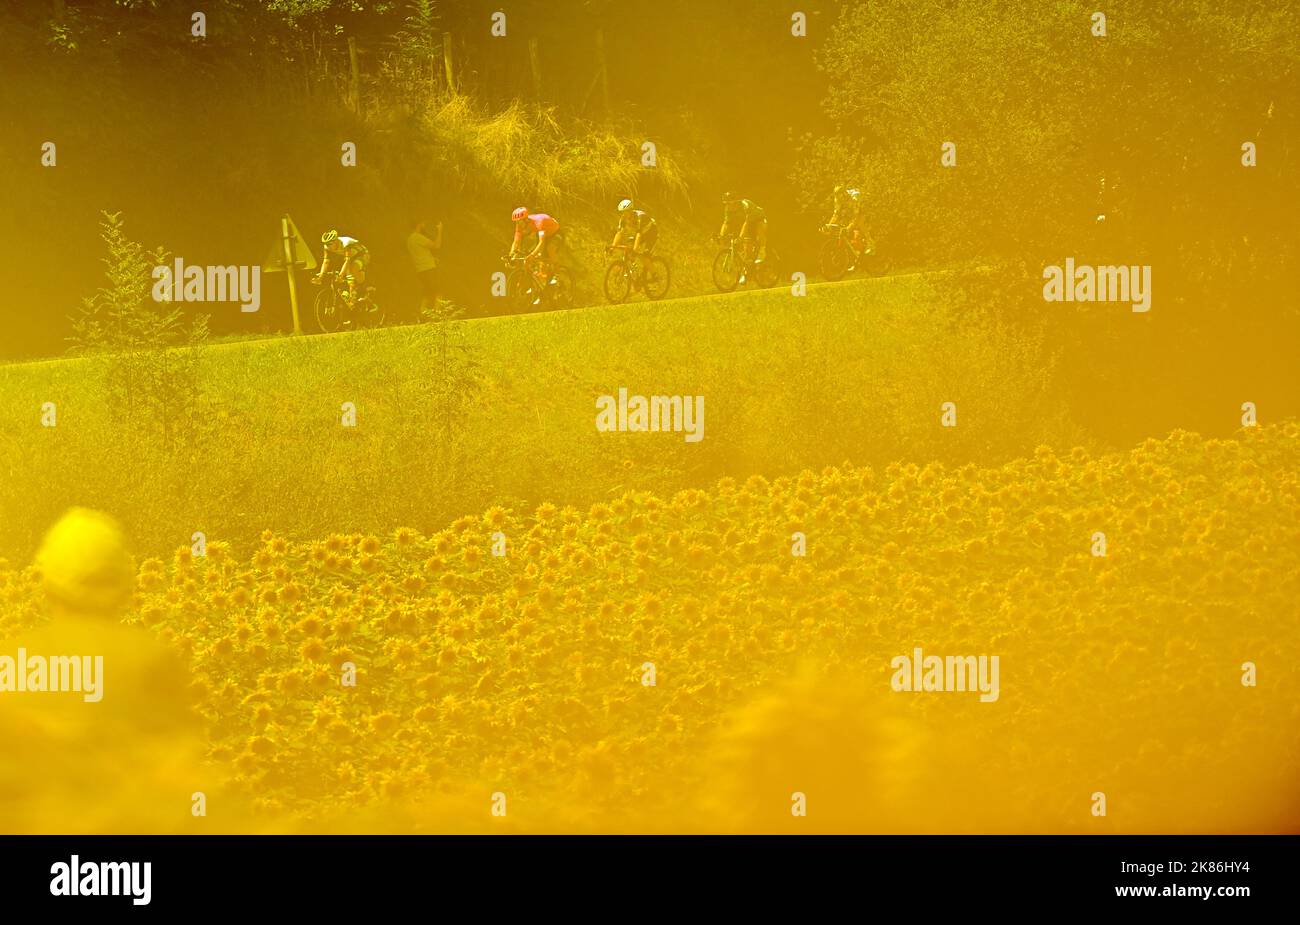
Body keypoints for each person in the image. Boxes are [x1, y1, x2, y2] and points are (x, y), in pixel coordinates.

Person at [315, 230, 370, 303]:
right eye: (326, 244)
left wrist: (340, 275)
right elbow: (326, 262)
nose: (328, 246)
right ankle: (352, 297)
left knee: (353, 269)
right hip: (350, 256)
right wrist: (320, 277)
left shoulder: (345, 243)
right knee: (345, 274)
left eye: (330, 244)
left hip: (362, 254)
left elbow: (347, 261)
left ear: (336, 241)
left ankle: (363, 289)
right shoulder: (326, 247)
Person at [406, 218, 443, 314]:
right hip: (429, 268)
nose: (424, 226)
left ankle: (422, 311)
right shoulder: (418, 237)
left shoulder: (410, 239)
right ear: (418, 225)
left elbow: (419, 254)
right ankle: (438, 313)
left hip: (420, 270)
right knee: (438, 291)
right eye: (423, 223)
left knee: (427, 292)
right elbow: (436, 245)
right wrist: (440, 231)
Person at [719, 192, 767, 266]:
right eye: (725, 203)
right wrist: (721, 236)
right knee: (746, 247)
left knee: (755, 237)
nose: (727, 206)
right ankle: (749, 262)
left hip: (758, 219)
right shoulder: (727, 209)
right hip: (746, 222)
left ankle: (764, 254)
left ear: (735, 202)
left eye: (729, 203)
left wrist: (740, 238)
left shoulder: (745, 205)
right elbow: (726, 223)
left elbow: (747, 223)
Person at [828, 184, 868, 270]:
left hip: (864, 206)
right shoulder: (837, 199)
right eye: (837, 197)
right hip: (853, 211)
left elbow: (856, 217)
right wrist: (829, 225)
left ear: (844, 194)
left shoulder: (854, 197)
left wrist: (849, 227)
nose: (839, 199)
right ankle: (857, 256)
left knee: (859, 224)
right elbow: (836, 215)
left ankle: (870, 244)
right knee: (846, 231)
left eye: (840, 197)